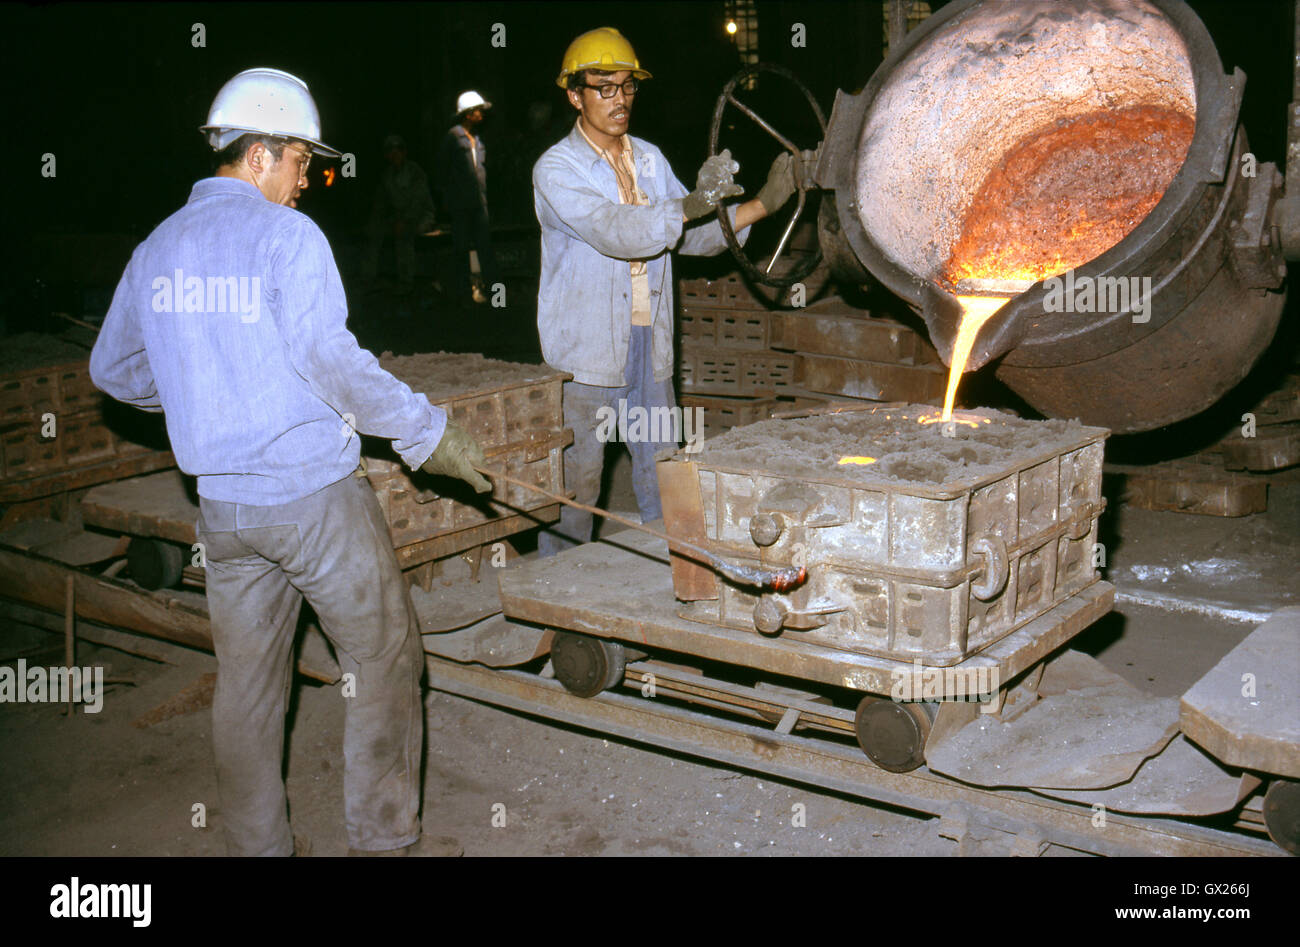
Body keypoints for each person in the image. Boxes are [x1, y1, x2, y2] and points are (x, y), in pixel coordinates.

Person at [89, 67, 491, 857]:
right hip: (312, 497)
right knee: (383, 656)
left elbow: (113, 371)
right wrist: (426, 433)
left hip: (224, 513)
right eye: (304, 162)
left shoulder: (158, 245)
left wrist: (205, 389)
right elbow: (326, 357)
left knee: (246, 684)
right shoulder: (286, 237)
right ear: (261, 154)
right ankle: (382, 839)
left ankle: (257, 847)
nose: (311, 180)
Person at [534, 28, 798, 555]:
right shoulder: (556, 169)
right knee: (575, 491)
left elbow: (695, 236)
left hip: (648, 346)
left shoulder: (650, 159)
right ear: (574, 94)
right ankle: (556, 599)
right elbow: (615, 228)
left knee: (664, 476)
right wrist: (693, 203)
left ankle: (666, 584)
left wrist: (765, 204)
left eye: (628, 86)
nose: (620, 99)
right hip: (585, 357)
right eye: (603, 87)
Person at [437, 91, 499, 307]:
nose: (481, 114)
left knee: (486, 251)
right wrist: (449, 202)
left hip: (479, 207)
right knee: (461, 250)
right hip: (461, 207)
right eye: (477, 111)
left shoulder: (478, 140)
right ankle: (462, 299)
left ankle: (496, 299)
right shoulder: (453, 137)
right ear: (467, 114)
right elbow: (443, 171)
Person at [362, 134, 438, 296]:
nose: (394, 155)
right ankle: (369, 278)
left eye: (397, 151)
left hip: (421, 215)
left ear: (403, 153)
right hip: (399, 216)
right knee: (374, 230)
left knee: (405, 234)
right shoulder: (387, 175)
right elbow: (381, 204)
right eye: (390, 152)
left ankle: (406, 282)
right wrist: (377, 221)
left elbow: (419, 201)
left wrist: (404, 220)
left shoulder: (415, 172)